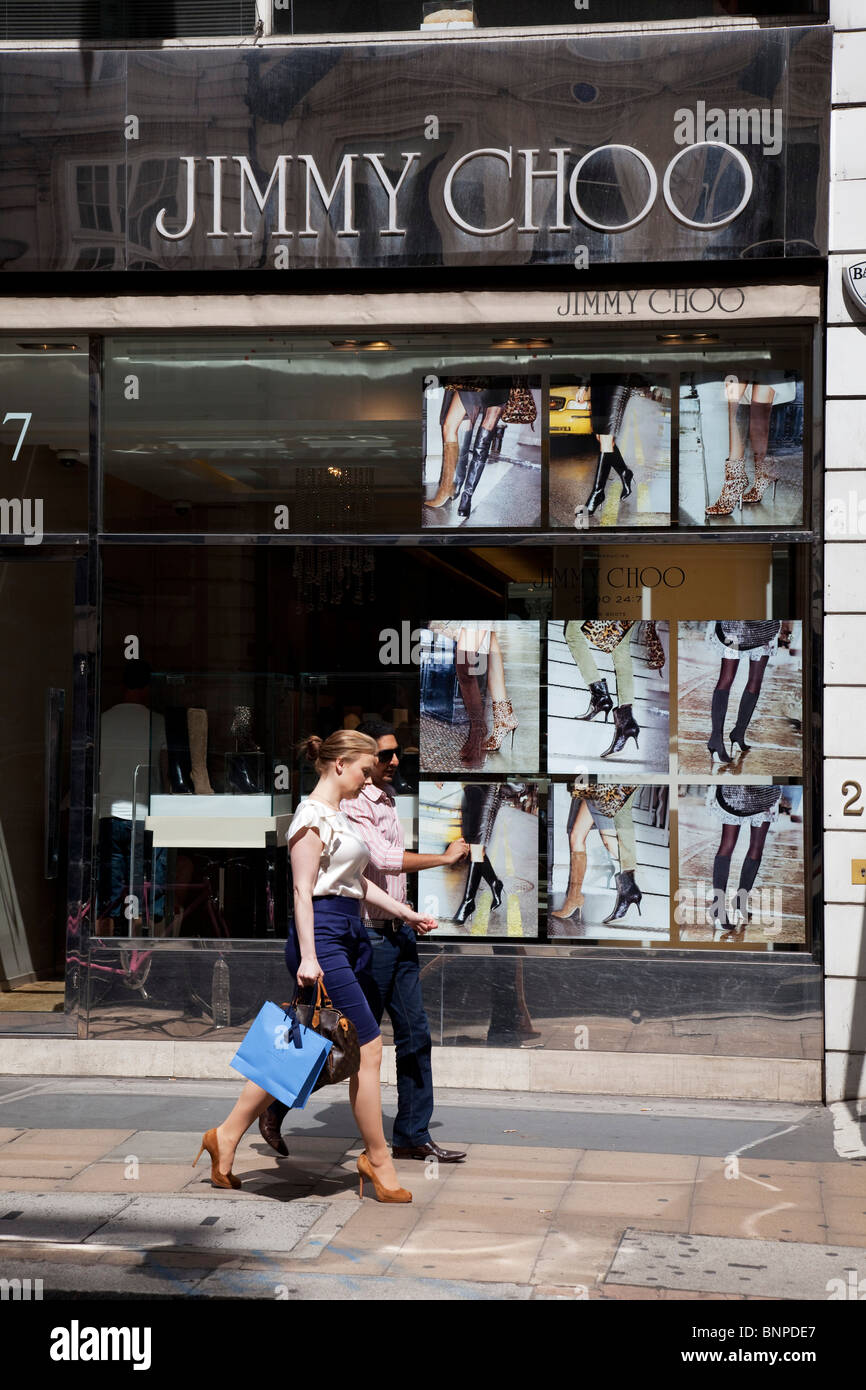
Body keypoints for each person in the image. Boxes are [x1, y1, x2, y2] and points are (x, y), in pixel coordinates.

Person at [193, 730, 437, 1202]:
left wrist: (405, 913)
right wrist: (308, 956)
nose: (369, 779)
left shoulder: (338, 816)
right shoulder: (309, 818)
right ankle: (378, 1159)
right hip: (322, 939)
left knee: (298, 1046)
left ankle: (224, 1137)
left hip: (347, 937)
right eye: (365, 770)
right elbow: (303, 891)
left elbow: (355, 884)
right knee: (368, 1046)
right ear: (340, 764)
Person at [261, 720, 470, 1163]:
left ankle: (410, 1135)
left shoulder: (383, 799)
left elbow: (359, 877)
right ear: (353, 762)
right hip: (364, 939)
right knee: (340, 1042)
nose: (392, 762)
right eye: (383, 755)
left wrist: (407, 914)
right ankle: (273, 1105)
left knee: (413, 1035)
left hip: (395, 935)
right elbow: (380, 861)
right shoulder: (345, 802)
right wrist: (444, 859)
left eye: (396, 755)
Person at [96, 659, 167, 935]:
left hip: (109, 814)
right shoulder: (156, 722)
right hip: (145, 816)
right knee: (141, 885)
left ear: (123, 685)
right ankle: (140, 943)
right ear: (148, 687)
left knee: (111, 889)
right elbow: (164, 771)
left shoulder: (103, 721)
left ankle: (110, 947)